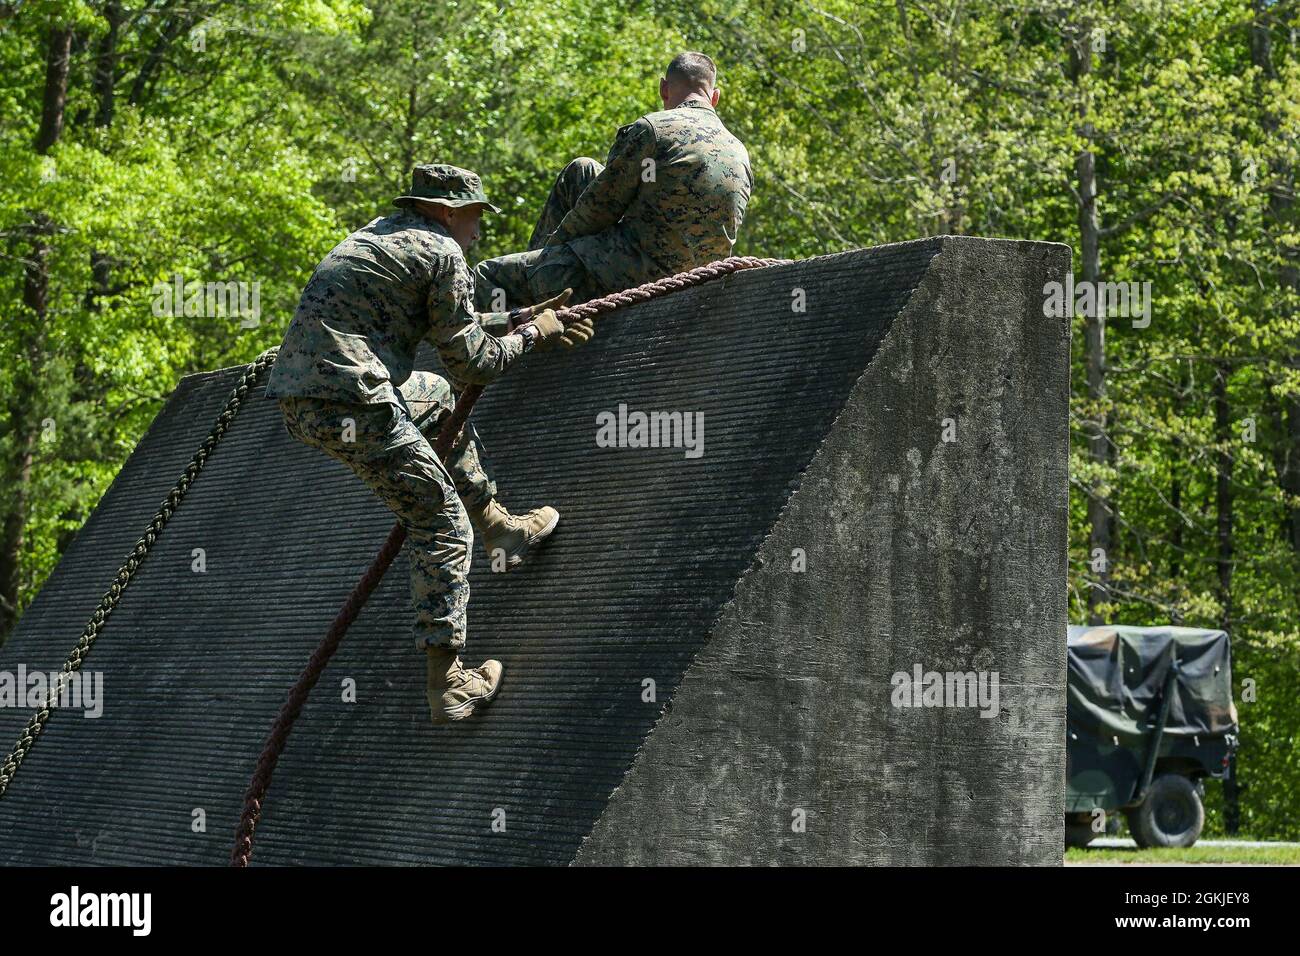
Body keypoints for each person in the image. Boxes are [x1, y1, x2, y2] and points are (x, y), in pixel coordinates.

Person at [265, 164, 593, 723]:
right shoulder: (441, 251)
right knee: (439, 520)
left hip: (306, 400)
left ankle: (499, 526)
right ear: (446, 211)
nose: (478, 230)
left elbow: (451, 328)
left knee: (435, 395)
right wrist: (535, 336)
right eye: (474, 216)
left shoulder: (380, 235)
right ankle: (449, 685)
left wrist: (518, 316)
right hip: (355, 401)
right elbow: (473, 362)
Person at [472, 51, 753, 328]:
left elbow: (599, 210)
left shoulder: (654, 130)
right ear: (714, 97)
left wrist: (545, 261)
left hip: (631, 277)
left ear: (663, 88)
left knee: (486, 276)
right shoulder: (740, 152)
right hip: (696, 280)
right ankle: (538, 295)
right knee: (581, 171)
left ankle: (524, 340)